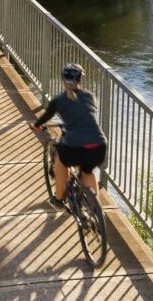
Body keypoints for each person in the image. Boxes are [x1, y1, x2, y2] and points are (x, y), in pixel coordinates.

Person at [31, 61, 107, 209]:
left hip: (74, 146)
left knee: (60, 163)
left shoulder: (58, 101)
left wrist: (36, 125)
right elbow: (84, 116)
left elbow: (46, 116)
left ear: (63, 79)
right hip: (99, 145)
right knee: (87, 171)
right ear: (80, 80)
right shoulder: (90, 96)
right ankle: (96, 211)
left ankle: (59, 199)